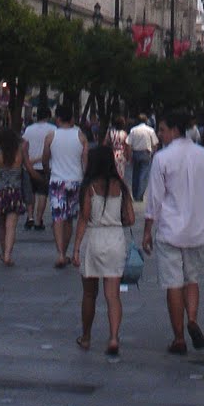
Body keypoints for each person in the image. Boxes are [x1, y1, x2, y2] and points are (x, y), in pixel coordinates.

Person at [142, 110, 204, 355]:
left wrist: (147, 231)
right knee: (192, 279)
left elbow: (154, 200)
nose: (159, 134)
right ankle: (192, 319)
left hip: (170, 231)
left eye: (162, 129)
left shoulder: (162, 158)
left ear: (174, 130)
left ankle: (179, 338)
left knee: (173, 284)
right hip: (197, 230)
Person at [72, 143, 136, 356]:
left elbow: (84, 218)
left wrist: (75, 248)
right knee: (113, 295)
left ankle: (86, 337)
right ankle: (114, 338)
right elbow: (131, 218)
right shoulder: (121, 186)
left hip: (94, 238)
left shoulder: (89, 187)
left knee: (89, 294)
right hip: (115, 240)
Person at [44, 103, 89, 269]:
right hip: (75, 181)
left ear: (58, 118)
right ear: (72, 119)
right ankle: (66, 250)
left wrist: (48, 171)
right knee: (70, 218)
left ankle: (60, 254)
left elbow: (45, 158)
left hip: (57, 180)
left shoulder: (51, 136)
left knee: (58, 217)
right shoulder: (81, 136)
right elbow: (85, 161)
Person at [0, 126, 26, 266]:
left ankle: (3, 251)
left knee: (2, 227)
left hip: (0, 193)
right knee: (11, 226)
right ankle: (8, 255)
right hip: (15, 193)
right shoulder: (19, 155)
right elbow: (27, 168)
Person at [21, 103, 55, 231]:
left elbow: (24, 146)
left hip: (30, 165)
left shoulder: (29, 129)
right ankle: (38, 219)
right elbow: (52, 149)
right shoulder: (53, 129)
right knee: (42, 193)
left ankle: (29, 217)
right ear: (48, 116)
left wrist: (28, 160)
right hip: (45, 166)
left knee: (30, 192)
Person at [128, 112, 157, 202]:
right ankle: (139, 195)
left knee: (135, 174)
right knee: (144, 175)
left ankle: (135, 193)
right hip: (146, 153)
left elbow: (129, 143)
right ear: (146, 120)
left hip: (136, 152)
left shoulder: (133, 130)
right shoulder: (150, 130)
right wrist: (153, 153)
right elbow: (155, 143)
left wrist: (130, 155)